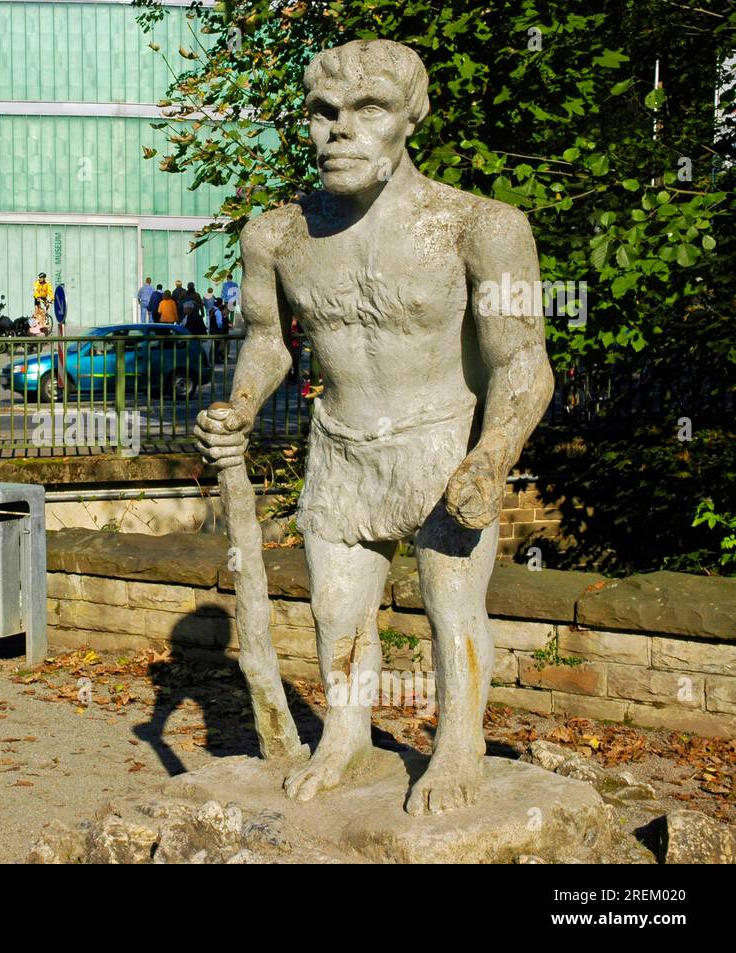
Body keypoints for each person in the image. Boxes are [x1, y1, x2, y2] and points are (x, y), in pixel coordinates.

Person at [194, 39, 553, 815]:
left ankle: (458, 747)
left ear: (409, 119)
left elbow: (523, 360)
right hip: (342, 446)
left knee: (449, 603)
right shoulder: (278, 237)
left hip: (441, 438)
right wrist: (242, 406)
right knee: (337, 610)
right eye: (322, 113)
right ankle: (347, 737)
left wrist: (492, 456)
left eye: (368, 110)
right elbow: (266, 342)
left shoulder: (480, 228)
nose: (338, 132)